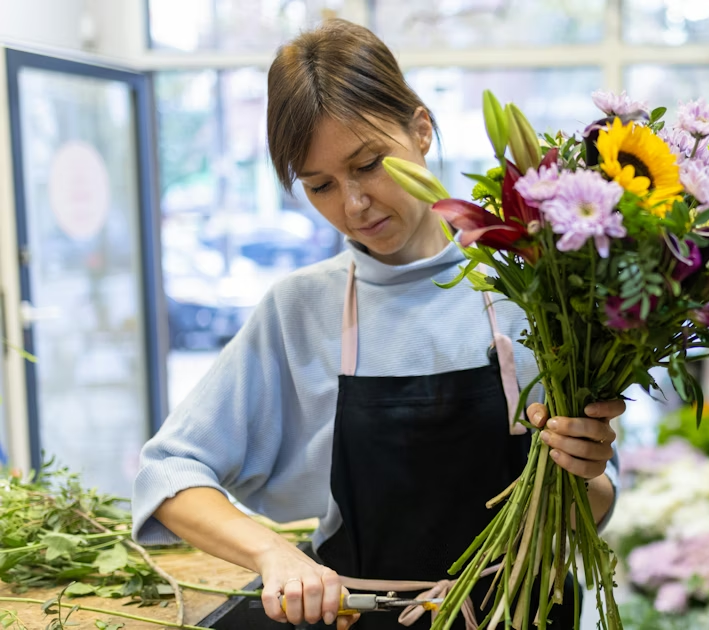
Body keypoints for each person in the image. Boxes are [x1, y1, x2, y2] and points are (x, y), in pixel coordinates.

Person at [132, 19, 621, 630]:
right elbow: (169, 472)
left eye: (367, 164)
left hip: (521, 613)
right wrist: (274, 553)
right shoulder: (299, 309)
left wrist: (585, 468)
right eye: (320, 185)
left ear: (421, 130)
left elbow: (595, 506)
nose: (353, 204)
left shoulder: (532, 287)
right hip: (357, 617)